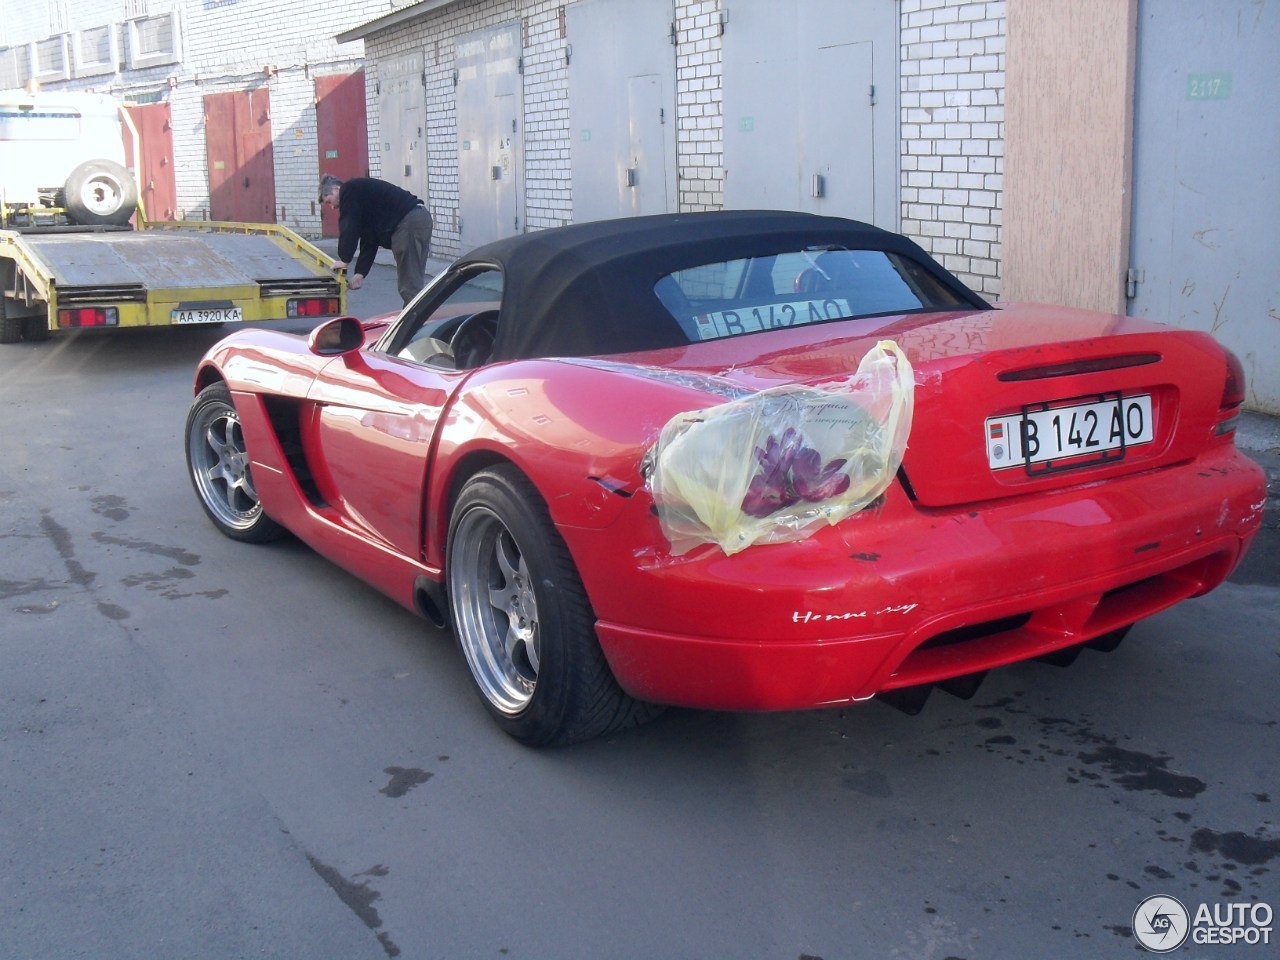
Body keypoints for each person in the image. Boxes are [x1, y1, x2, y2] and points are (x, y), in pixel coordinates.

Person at [319, 175, 433, 305]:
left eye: (329, 201)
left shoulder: (348, 190)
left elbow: (349, 225)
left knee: (409, 285)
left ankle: (416, 321)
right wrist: (360, 273)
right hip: (419, 218)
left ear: (335, 188)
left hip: (409, 222)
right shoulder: (360, 195)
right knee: (414, 278)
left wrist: (344, 259)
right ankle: (418, 317)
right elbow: (370, 239)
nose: (332, 207)